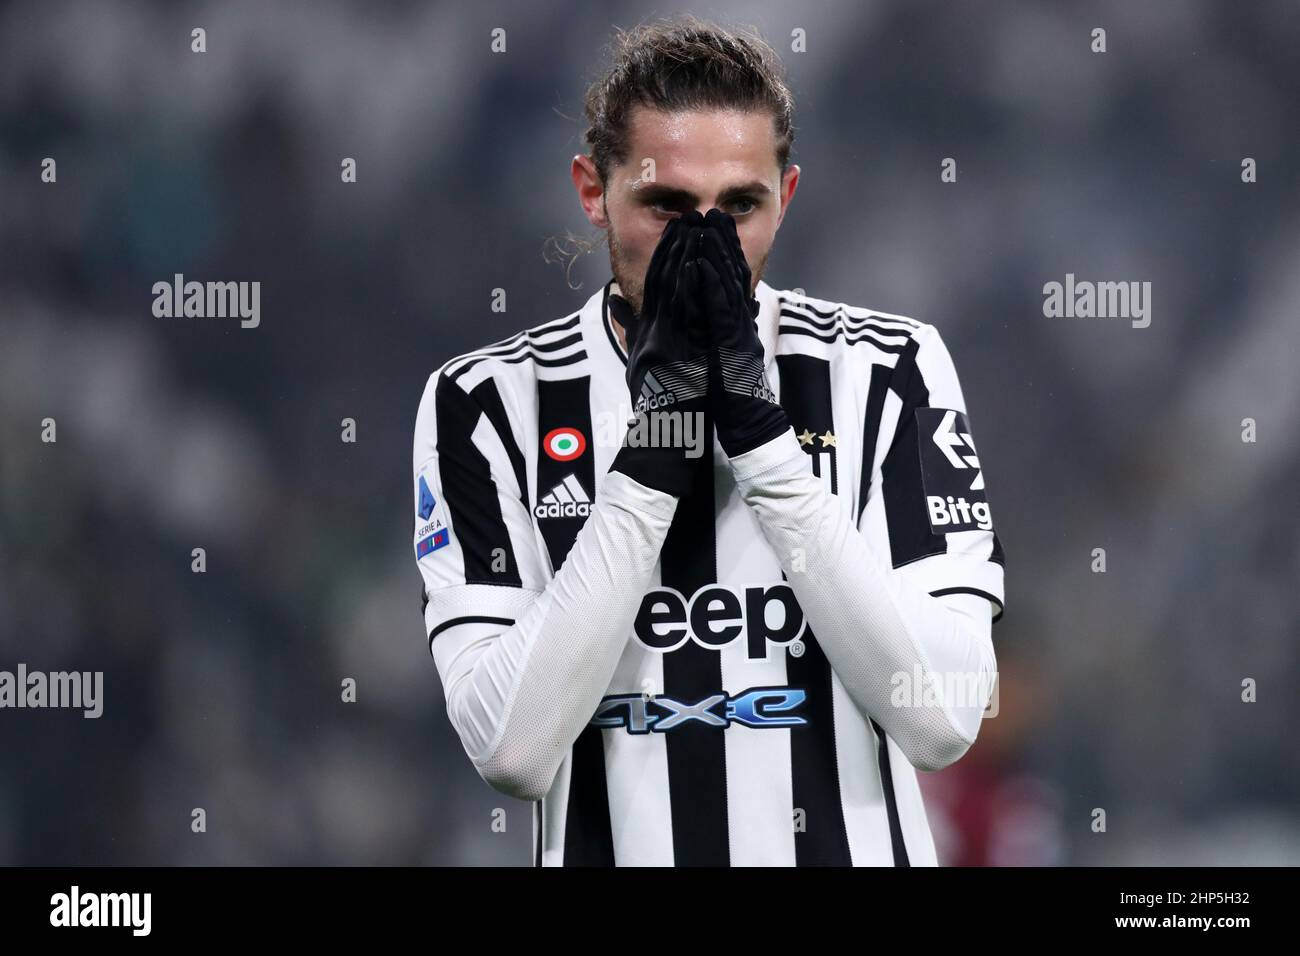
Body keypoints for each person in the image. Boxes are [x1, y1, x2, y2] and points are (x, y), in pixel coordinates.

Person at [411, 17, 1005, 866]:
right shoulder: (486, 402)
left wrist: (764, 447)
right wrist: (653, 458)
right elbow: (511, 748)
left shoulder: (889, 368)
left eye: (739, 206)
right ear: (592, 190)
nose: (706, 242)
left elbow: (945, 718)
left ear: (786, 196)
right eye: (666, 204)